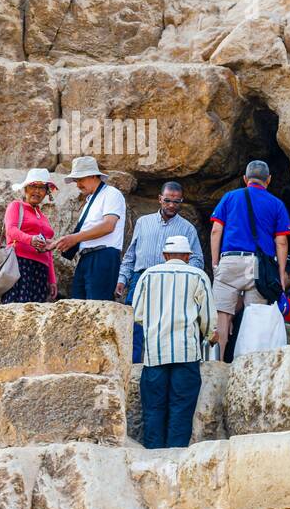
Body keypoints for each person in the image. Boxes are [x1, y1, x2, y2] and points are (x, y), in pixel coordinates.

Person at [133, 235, 214, 450]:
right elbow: (208, 317)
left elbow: (138, 314)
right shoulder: (198, 276)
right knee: (181, 408)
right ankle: (176, 457)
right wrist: (206, 336)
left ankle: (153, 455)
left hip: (154, 354)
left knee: (153, 408)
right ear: (188, 256)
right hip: (186, 352)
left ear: (165, 256)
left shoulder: (148, 275)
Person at [208, 159, 290, 359]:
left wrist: (215, 263)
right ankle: (249, 367)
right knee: (255, 320)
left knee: (222, 317)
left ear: (245, 179)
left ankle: (218, 364)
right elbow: (281, 242)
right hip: (256, 266)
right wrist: (280, 273)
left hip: (230, 261)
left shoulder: (229, 198)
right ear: (268, 180)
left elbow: (215, 231)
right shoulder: (276, 204)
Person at [115, 181, 204, 362]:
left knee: (164, 326)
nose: (172, 205)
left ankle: (157, 364)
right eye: (167, 200)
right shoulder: (142, 222)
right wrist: (122, 279)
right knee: (135, 325)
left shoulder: (187, 228)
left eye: (177, 202)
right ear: (159, 199)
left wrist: (185, 279)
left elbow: (197, 260)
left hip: (172, 283)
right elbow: (130, 255)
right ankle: (132, 367)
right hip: (141, 280)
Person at [53, 156, 125, 301]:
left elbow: (108, 225)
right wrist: (55, 243)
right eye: (76, 180)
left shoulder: (111, 193)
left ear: (93, 175)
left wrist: (75, 238)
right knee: (79, 306)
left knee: (97, 306)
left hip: (103, 255)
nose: (78, 184)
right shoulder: (90, 201)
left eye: (80, 179)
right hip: (86, 257)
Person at [1, 169, 59, 303]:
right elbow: (11, 230)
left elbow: (48, 251)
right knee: (16, 306)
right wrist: (30, 240)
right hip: (20, 264)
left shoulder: (44, 217)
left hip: (41, 270)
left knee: (34, 312)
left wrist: (52, 279)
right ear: (25, 189)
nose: (37, 191)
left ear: (47, 192)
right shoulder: (16, 206)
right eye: (33, 186)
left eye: (42, 188)